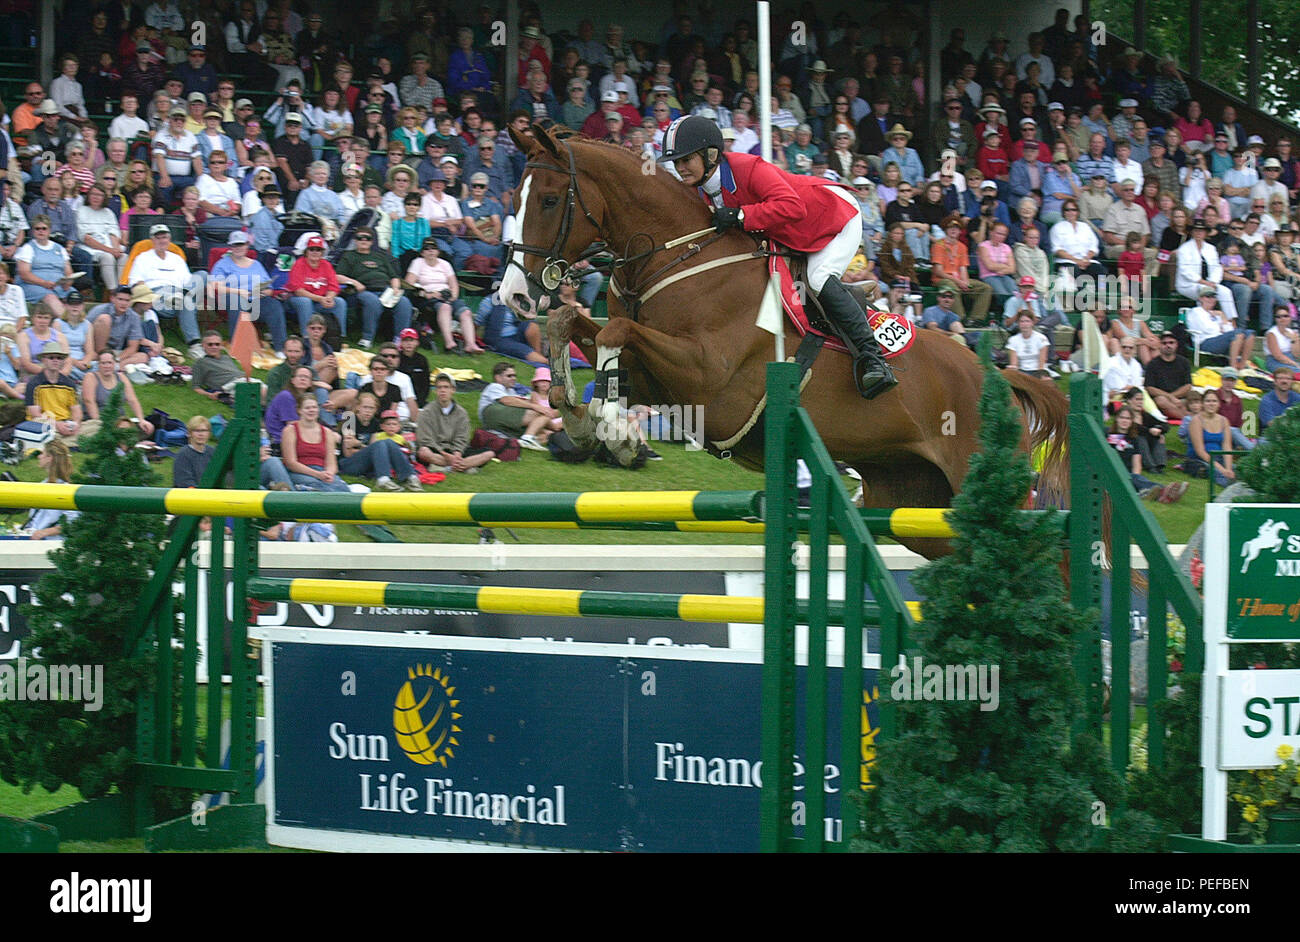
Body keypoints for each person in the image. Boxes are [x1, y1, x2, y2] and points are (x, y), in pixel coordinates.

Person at [657, 114, 895, 398]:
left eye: (686, 160)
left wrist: (742, 215)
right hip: (792, 235)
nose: (680, 168)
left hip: (832, 216)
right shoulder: (702, 191)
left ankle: (874, 359)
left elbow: (792, 207)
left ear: (710, 154)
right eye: (676, 162)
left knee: (817, 279)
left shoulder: (748, 167)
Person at [127, 223, 206, 354]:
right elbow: (135, 281)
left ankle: (181, 297)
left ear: (169, 239)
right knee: (186, 302)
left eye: (164, 237)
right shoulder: (143, 258)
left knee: (202, 275)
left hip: (180, 292)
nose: (162, 240)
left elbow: (188, 280)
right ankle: (194, 345)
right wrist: (149, 296)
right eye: (158, 238)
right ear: (152, 240)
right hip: (156, 295)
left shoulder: (177, 259)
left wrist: (183, 292)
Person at [333, 227, 412, 349]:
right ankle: (367, 338)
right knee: (372, 301)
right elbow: (338, 276)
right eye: (360, 238)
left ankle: (399, 340)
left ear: (372, 241)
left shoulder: (380, 256)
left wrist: (395, 288)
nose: (364, 240)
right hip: (364, 290)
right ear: (355, 240)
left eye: (367, 238)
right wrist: (354, 282)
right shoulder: (349, 255)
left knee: (404, 302)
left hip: (386, 290)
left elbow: (394, 276)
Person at [208, 230, 287, 351]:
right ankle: (238, 346)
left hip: (257, 299)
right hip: (233, 298)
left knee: (274, 306)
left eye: (241, 244)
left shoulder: (256, 264)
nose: (238, 247)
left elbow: (268, 287)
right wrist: (240, 292)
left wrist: (266, 291)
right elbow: (216, 286)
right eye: (235, 245)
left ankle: (280, 348)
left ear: (247, 245)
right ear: (230, 247)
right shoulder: (222, 264)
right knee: (236, 300)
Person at [405, 238, 484, 355]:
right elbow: (408, 283)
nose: (430, 251)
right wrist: (427, 294)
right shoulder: (418, 263)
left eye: (433, 248)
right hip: (428, 297)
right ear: (422, 252)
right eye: (427, 249)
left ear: (438, 251)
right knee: (445, 308)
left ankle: (470, 344)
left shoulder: (445, 264)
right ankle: (449, 342)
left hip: (447, 295)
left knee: (465, 312)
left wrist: (453, 296)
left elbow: (454, 284)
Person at [337, 397, 422, 492]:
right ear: (358, 407)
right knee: (380, 444)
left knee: (388, 442)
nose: (368, 411)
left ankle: (409, 477)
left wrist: (358, 444)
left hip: (367, 463)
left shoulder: (375, 423)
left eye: (371, 408)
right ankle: (383, 480)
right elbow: (348, 453)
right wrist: (365, 447)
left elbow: (375, 452)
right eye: (365, 407)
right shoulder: (349, 419)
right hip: (348, 464)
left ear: (376, 410)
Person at [416, 373, 494, 474]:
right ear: (435, 391)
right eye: (439, 387)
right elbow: (425, 439)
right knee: (423, 452)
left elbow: (462, 437)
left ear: (453, 390)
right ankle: (465, 466)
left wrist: (457, 453)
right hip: (437, 450)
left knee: (489, 453)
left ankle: (447, 467)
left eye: (446, 387)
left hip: (455, 451)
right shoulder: (426, 412)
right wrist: (444, 454)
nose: (443, 390)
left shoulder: (461, 413)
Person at [477, 361, 555, 449]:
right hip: (491, 415)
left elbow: (518, 402)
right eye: (509, 376)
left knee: (547, 434)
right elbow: (506, 400)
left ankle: (527, 438)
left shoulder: (511, 391)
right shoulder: (495, 386)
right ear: (498, 378)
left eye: (514, 376)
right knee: (540, 413)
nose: (513, 378)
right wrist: (535, 406)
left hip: (501, 423)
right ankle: (528, 438)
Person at [281, 395, 349, 492]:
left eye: (314, 407)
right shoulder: (290, 430)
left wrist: (329, 473)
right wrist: (317, 474)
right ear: (299, 410)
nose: (311, 410)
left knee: (343, 489)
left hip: (322, 471)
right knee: (319, 487)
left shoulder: (327, 432)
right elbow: (291, 463)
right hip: (300, 472)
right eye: (307, 408)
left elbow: (331, 462)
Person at [81, 351, 153, 438]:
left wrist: (141, 419)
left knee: (148, 428)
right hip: (98, 420)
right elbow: (89, 402)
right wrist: (99, 422)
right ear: (98, 364)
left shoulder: (121, 377)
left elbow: (132, 400)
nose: (107, 366)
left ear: (114, 364)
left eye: (110, 363)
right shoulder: (91, 377)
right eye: (103, 363)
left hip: (118, 421)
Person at [1185, 287, 1255, 373]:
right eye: (1208, 296)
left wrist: (1222, 316)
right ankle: (1232, 368)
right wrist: (1220, 327)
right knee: (1238, 334)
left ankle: (1241, 366)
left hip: (1220, 340)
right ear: (1200, 298)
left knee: (1250, 333)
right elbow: (1208, 329)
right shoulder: (1196, 312)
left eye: (1213, 297)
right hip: (1206, 342)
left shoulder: (1217, 313)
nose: (1211, 299)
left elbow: (1229, 330)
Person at [286, 235, 344, 334]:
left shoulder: (326, 265)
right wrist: (321, 299)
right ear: (306, 251)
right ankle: (307, 337)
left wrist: (329, 298)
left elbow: (333, 286)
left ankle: (339, 337)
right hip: (298, 299)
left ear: (322, 252)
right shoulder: (299, 264)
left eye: (318, 250)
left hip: (320, 301)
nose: (315, 252)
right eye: (311, 249)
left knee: (339, 302)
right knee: (305, 302)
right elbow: (298, 291)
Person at [25, 347, 82, 443]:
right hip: (45, 423)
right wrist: (56, 424)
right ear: (44, 360)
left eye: (59, 358)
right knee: (39, 424)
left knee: (97, 424)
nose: (55, 360)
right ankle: (70, 441)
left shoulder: (70, 384)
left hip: (66, 423)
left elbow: (76, 411)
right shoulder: (33, 384)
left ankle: (63, 439)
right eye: (51, 357)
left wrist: (76, 424)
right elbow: (35, 414)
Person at [25, 440, 79, 540]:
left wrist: (45, 532)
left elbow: (73, 521)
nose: (39, 456)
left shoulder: (66, 489)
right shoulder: (43, 484)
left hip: (52, 543)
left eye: (42, 453)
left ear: (50, 458)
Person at [1186, 388, 1235, 486]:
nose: (1211, 404)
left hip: (1219, 458)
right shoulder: (1196, 421)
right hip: (1202, 459)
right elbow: (1200, 451)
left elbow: (1227, 447)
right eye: (1208, 401)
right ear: (1203, 404)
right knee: (1220, 474)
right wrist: (1222, 469)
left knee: (1240, 470)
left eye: (1214, 401)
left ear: (1219, 404)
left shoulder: (1224, 421)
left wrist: (1228, 468)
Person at [1144, 330, 1194, 419]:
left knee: (1196, 397)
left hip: (1180, 399)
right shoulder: (1152, 364)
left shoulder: (1184, 362)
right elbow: (1149, 388)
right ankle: (1189, 418)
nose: (1168, 345)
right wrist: (1169, 397)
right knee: (1161, 401)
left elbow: (1188, 385)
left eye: (1171, 343)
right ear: (1160, 346)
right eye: (1164, 343)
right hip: (1162, 399)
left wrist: (1173, 397)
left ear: (1176, 344)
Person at [1005, 312, 1051, 376]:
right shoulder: (1013, 340)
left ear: (1032, 323)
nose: (1024, 324)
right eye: (1022, 321)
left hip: (1037, 371)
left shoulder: (1041, 338)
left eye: (1027, 321)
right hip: (1021, 371)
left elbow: (1042, 363)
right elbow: (1014, 364)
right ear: (1018, 323)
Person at [394, 328, 431, 407]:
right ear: (401, 342)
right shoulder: (395, 358)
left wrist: (419, 402)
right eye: (405, 340)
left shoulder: (422, 360)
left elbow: (426, 384)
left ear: (417, 342)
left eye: (412, 340)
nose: (409, 343)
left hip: (418, 400)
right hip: (398, 400)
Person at [1265, 306, 1300, 373]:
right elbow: (1278, 356)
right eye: (1279, 317)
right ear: (1275, 319)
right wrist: (1294, 364)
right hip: (1275, 361)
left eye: (1285, 316)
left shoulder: (1291, 332)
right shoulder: (1271, 333)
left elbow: (1297, 354)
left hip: (1291, 360)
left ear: (1290, 317)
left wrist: (1294, 340)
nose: (1282, 318)